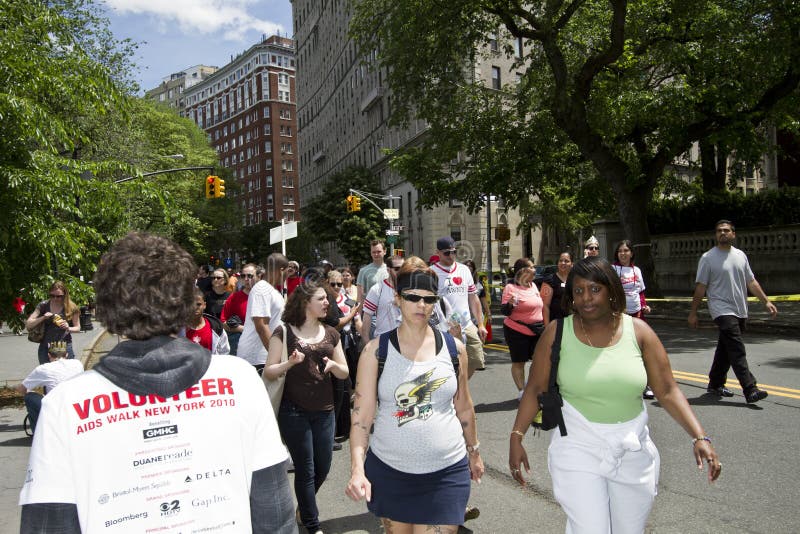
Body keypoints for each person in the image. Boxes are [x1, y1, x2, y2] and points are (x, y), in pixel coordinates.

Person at [19, 232, 296, 533]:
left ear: (107, 308)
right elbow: (276, 517)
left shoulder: (64, 405)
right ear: (186, 302)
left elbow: (48, 523)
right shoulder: (240, 381)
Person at [509, 257, 721, 534]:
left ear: (611, 290)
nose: (586, 298)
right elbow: (535, 389)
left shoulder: (639, 332)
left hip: (632, 448)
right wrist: (516, 437)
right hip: (576, 446)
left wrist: (699, 436)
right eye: (578, 290)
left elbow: (667, 390)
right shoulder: (556, 332)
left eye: (595, 289)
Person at [346, 263, 484, 532]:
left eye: (429, 298)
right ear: (398, 299)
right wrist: (357, 469)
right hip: (391, 473)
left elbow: (464, 407)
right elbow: (361, 419)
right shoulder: (375, 352)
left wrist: (475, 452)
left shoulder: (455, 349)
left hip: (446, 472)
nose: (421, 304)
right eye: (412, 297)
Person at [264, 280, 350, 534]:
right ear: (305, 303)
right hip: (293, 411)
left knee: (323, 467)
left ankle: (304, 508)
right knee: (306, 469)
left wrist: (334, 367)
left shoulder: (331, 333)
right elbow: (269, 371)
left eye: (327, 298)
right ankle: (312, 525)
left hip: (325, 410)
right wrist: (289, 364)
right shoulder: (283, 332)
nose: (327, 302)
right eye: (321, 299)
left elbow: (345, 372)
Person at [688, 220, 777, 403]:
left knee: (726, 348)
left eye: (726, 230)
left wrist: (766, 301)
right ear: (715, 235)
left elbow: (751, 282)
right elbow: (700, 287)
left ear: (733, 234)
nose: (723, 233)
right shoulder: (708, 258)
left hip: (740, 309)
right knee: (736, 349)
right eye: (719, 231)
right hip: (721, 309)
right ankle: (750, 388)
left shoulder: (740, 256)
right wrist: (693, 312)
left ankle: (715, 383)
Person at [431, 236, 487, 378]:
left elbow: (473, 298)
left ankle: (461, 385)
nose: (451, 256)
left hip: (466, 324)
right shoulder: (431, 273)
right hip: (445, 327)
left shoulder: (464, 270)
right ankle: (454, 390)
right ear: (438, 252)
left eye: (453, 252)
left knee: (475, 359)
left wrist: (480, 324)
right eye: (446, 253)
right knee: (449, 362)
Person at [613, 240, 654, 400]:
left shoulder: (636, 270)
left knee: (641, 349)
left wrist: (644, 306)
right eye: (620, 251)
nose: (623, 253)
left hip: (637, 314)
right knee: (620, 349)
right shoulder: (613, 269)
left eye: (626, 251)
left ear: (631, 253)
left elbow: (640, 292)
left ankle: (644, 385)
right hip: (619, 314)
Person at [15, 341, 83, 433]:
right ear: (66, 355)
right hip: (77, 406)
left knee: (29, 397)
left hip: (57, 409)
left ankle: (39, 434)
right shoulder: (77, 364)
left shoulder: (43, 369)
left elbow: (21, 389)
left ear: (49, 355)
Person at [501, 258, 544, 401]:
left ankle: (532, 386)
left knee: (539, 360)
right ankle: (522, 391)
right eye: (532, 267)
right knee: (519, 362)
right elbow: (505, 311)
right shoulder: (511, 288)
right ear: (523, 270)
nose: (535, 269)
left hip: (537, 330)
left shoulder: (533, 285)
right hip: (516, 330)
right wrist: (510, 304)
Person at [237, 253, 288, 373]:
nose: (287, 276)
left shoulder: (271, 290)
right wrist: (275, 357)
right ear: (281, 270)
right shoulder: (262, 289)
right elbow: (261, 326)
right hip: (257, 359)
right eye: (287, 271)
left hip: (265, 358)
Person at [25, 281, 80, 364]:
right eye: (52, 295)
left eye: (59, 296)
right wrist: (43, 317)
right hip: (45, 345)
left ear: (65, 295)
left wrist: (68, 328)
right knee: (47, 374)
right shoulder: (43, 305)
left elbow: (78, 328)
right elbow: (29, 324)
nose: (55, 298)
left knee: (64, 374)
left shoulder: (71, 306)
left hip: (61, 344)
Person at [360, 255, 404, 342]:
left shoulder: (410, 288)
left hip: (406, 341)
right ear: (388, 270)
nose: (402, 271)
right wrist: (367, 342)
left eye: (404, 268)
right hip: (384, 341)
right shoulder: (377, 289)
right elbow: (367, 316)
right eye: (397, 269)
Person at [220, 262, 258, 355]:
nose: (246, 279)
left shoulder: (266, 296)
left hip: (261, 346)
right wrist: (243, 329)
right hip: (239, 345)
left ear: (258, 276)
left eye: (250, 276)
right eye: (243, 276)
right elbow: (223, 322)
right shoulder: (234, 298)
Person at [183, 288, 230, 354]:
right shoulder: (180, 328)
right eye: (191, 304)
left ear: (204, 305)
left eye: (198, 304)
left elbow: (224, 352)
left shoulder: (216, 327)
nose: (194, 307)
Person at [541, 250, 574, 325]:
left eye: (566, 261)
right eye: (560, 260)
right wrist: (547, 327)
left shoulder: (575, 280)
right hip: (555, 323)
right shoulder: (550, 280)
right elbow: (545, 306)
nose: (563, 263)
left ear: (572, 264)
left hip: (572, 322)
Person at [356, 239, 388, 304]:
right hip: (371, 311)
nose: (376, 254)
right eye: (373, 252)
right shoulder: (363, 271)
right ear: (370, 253)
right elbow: (360, 297)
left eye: (379, 251)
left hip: (389, 311)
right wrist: (359, 313)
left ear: (384, 251)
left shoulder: (390, 270)